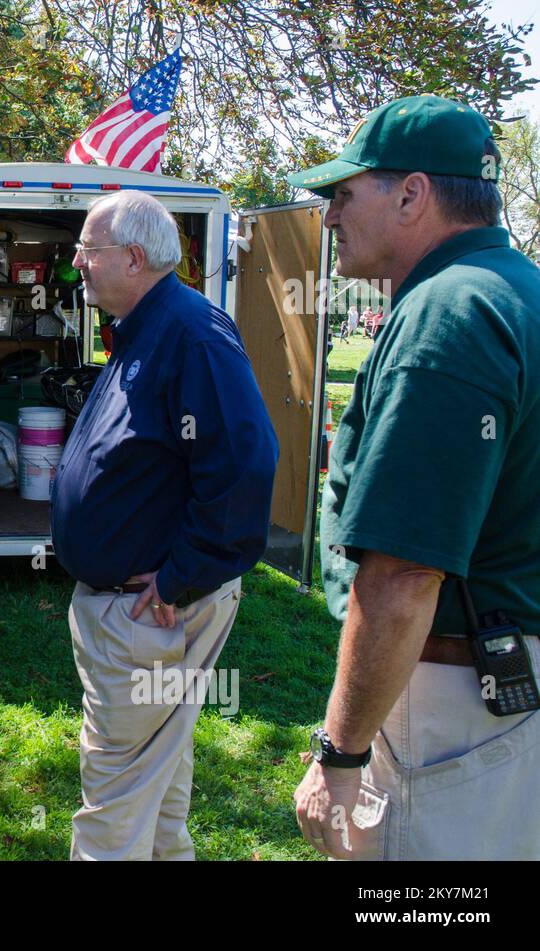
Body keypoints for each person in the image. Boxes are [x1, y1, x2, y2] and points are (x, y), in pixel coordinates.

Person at [288, 94, 540, 860]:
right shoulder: (517, 288)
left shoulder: (449, 312)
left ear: (412, 193)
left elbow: (403, 575)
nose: (329, 218)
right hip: (502, 695)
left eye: (343, 194)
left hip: (455, 704)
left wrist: (340, 752)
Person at [51, 191, 279, 860]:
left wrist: (183, 572)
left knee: (114, 801)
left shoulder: (190, 331)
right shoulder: (146, 325)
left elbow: (246, 460)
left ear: (132, 256)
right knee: (160, 789)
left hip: (148, 609)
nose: (77, 262)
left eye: (86, 250)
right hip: (133, 609)